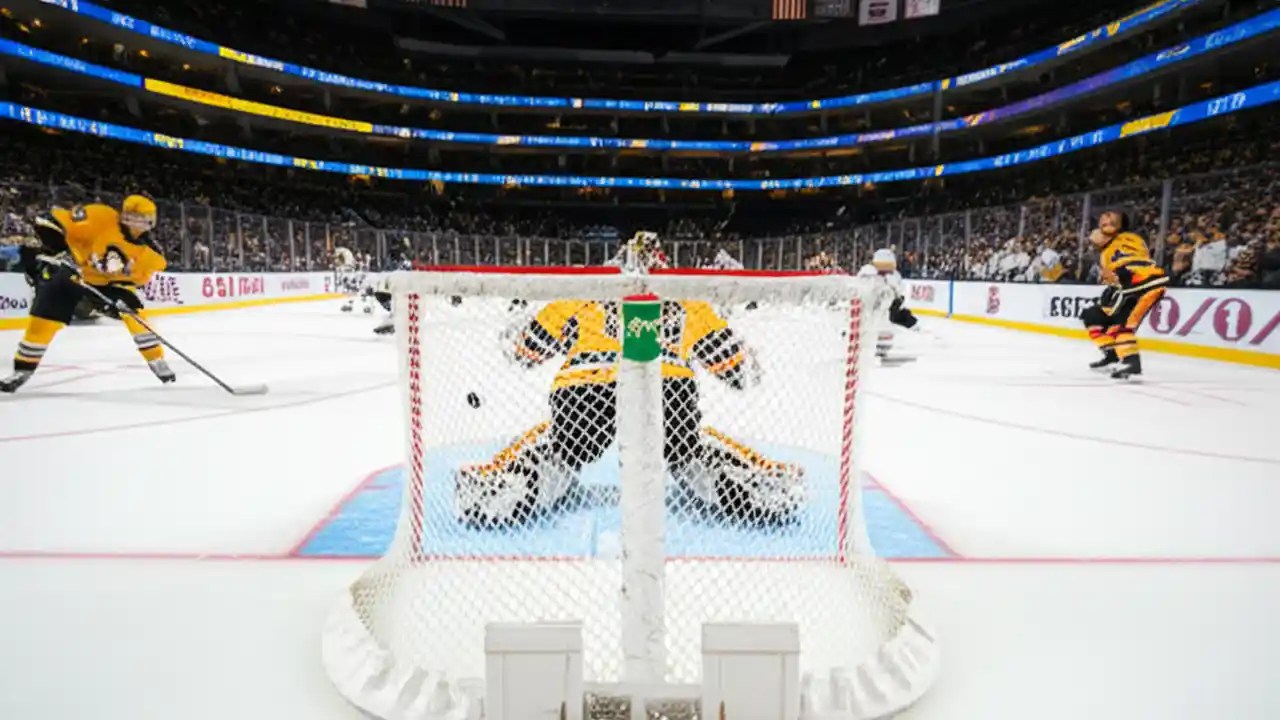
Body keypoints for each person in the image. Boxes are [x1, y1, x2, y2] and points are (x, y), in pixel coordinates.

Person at [1, 195, 172, 393]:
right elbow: (51, 222)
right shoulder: (101, 216)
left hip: (111, 285)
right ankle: (23, 369)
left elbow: (137, 279)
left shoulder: (150, 254)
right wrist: (59, 247)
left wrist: (112, 297)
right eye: (132, 216)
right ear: (123, 215)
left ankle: (156, 359)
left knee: (135, 314)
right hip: (74, 275)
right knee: (43, 319)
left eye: (143, 218)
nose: (137, 223)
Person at [1079, 210, 1168, 379]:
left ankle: (1131, 361)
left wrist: (1103, 234)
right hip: (1138, 283)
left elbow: (1119, 266)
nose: (1103, 225)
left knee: (1119, 324)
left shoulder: (1128, 239)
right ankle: (1112, 354)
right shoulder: (1109, 251)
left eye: (1110, 221)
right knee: (1093, 316)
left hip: (1137, 282)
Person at [856, 248, 918, 358]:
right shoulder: (868, 272)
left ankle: (880, 345)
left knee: (885, 325)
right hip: (870, 307)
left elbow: (899, 292)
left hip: (885, 308)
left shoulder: (894, 276)